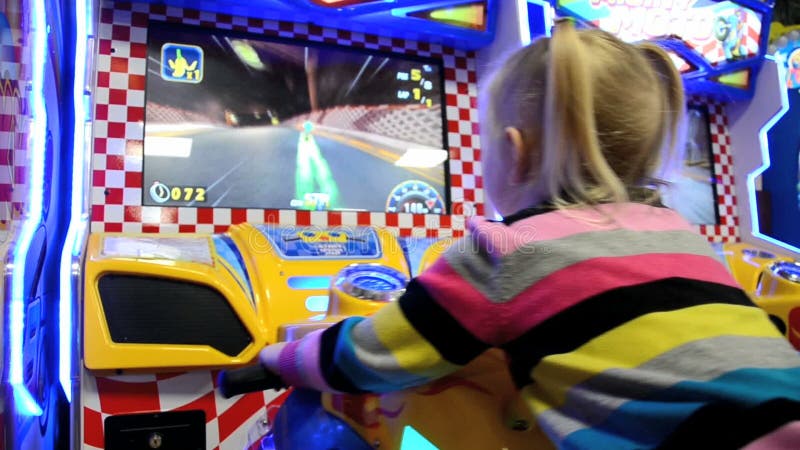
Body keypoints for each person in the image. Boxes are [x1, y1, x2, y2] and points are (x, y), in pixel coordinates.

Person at [260, 20, 800, 449]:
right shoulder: (685, 237)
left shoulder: (505, 250)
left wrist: (278, 359)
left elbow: (370, 356)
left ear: (513, 154)